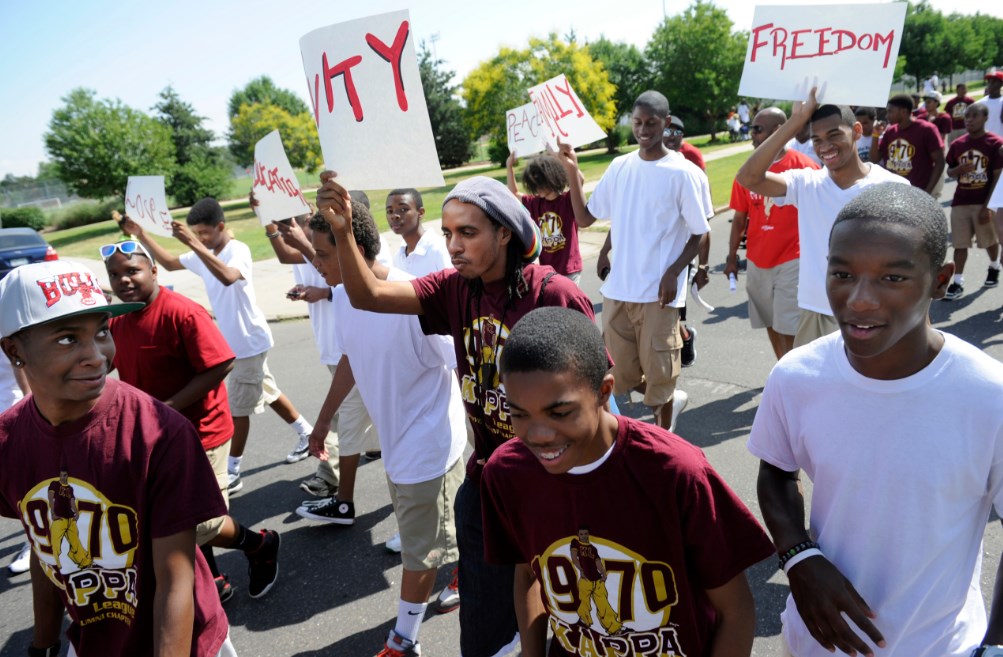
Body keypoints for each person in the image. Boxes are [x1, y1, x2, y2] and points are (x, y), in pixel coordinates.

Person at [314, 170, 600, 657]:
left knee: (580, 622)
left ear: (505, 232)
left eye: (468, 232)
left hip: (557, 485)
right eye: (448, 233)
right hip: (488, 484)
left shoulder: (553, 294)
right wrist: (342, 231)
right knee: (485, 636)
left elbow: (597, 403)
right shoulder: (454, 289)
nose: (453, 246)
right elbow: (368, 295)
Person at [748, 182, 1003, 657]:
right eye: (842, 273)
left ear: (942, 280)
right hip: (813, 644)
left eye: (892, 278)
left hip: (940, 647)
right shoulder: (797, 375)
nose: (860, 299)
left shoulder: (989, 395)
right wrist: (798, 556)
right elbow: (776, 471)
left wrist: (997, 645)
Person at [481, 306, 775, 657]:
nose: (539, 434)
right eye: (518, 414)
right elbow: (528, 574)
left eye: (560, 413)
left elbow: (736, 609)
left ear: (605, 391)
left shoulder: (675, 473)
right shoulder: (507, 474)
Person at [0, 260, 234, 656]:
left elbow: (173, 580)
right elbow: (47, 553)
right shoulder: (8, 441)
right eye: (66, 339)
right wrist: (43, 644)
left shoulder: (160, 433)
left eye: (102, 332)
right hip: (94, 640)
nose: (96, 356)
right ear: (14, 350)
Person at [300, 205, 466, 655]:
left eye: (321, 252)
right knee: (441, 530)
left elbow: (461, 364)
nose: (314, 263)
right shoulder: (342, 295)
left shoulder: (414, 299)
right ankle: (465, 566)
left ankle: (403, 638)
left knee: (420, 550)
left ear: (351, 248)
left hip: (427, 445)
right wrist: (323, 419)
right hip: (398, 444)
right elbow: (352, 356)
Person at [103, 239, 281, 601]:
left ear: (154, 271)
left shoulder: (182, 312)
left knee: (203, 520)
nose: (124, 280)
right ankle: (213, 577)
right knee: (178, 511)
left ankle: (260, 545)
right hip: (156, 435)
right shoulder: (118, 319)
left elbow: (221, 362)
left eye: (132, 270)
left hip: (204, 432)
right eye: (115, 274)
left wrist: (167, 406)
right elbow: (109, 367)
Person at [118, 199, 314, 493]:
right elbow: (171, 264)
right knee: (267, 392)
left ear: (221, 227)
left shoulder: (237, 251)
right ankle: (307, 433)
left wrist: (194, 244)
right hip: (236, 343)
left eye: (205, 233)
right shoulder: (205, 252)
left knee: (239, 408)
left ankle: (232, 469)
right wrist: (141, 235)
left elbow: (228, 277)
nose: (201, 238)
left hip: (247, 343)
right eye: (197, 233)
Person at [736, 87, 908, 347]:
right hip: (816, 311)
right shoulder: (807, 183)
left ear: (857, 132)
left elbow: (908, 261)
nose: (824, 146)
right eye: (816, 139)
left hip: (875, 312)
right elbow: (748, 178)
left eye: (834, 135)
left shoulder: (892, 186)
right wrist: (794, 122)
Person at [584, 90, 713, 431]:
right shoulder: (620, 166)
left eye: (651, 123)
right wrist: (603, 251)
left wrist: (675, 272)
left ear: (666, 124)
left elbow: (698, 232)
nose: (643, 130)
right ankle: (671, 398)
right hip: (619, 290)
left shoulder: (683, 173)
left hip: (658, 293)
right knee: (621, 372)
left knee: (660, 372)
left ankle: (664, 434)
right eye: (637, 122)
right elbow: (605, 217)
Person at [726, 107, 820, 360]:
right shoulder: (748, 171)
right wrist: (732, 256)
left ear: (778, 131)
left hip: (792, 259)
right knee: (769, 321)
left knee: (788, 325)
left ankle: (795, 375)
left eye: (757, 129)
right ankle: (783, 368)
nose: (752, 134)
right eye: (752, 129)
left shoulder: (804, 167)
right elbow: (739, 218)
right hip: (757, 260)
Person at [943, 103, 1003, 299]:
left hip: (982, 200)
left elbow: (996, 176)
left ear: (985, 118)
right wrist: (958, 171)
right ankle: (957, 282)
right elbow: (950, 171)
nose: (969, 119)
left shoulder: (994, 144)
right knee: (960, 244)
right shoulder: (958, 144)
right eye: (967, 116)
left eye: (974, 116)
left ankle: (994, 267)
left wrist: (988, 205)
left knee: (988, 241)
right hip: (961, 200)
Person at [505, 146, 591, 283]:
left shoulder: (568, 199)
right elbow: (513, 194)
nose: (536, 189)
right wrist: (509, 167)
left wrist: (558, 157)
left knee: (567, 303)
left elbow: (578, 180)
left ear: (551, 179)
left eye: (539, 184)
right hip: (548, 270)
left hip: (569, 268)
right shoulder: (535, 203)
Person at [662, 115, 709, 368]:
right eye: (665, 132)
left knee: (672, 312)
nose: (669, 137)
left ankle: (683, 341)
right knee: (667, 313)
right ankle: (684, 336)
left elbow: (703, 221)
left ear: (682, 136)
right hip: (656, 252)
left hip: (682, 253)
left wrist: (702, 266)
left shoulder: (692, 159)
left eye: (674, 132)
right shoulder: (647, 161)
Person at [872, 94, 946, 196]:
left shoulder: (927, 129)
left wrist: (927, 192)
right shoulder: (890, 132)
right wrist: (875, 134)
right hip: (895, 193)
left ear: (903, 111)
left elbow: (940, 162)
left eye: (890, 112)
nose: (886, 116)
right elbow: (873, 160)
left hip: (919, 192)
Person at [1, 356, 31, 575]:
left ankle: (35, 542)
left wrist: (29, 400)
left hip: (11, 413)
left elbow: (19, 359)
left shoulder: (4, 325)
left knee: (24, 485)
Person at [386, 188, 453, 277]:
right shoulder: (398, 257)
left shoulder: (439, 249)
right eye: (390, 211)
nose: (394, 216)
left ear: (420, 213)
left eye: (403, 209)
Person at [977, 71, 1003, 138]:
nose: (990, 84)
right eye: (989, 82)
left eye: (994, 82)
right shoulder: (979, 104)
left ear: (1001, 84)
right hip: (985, 142)